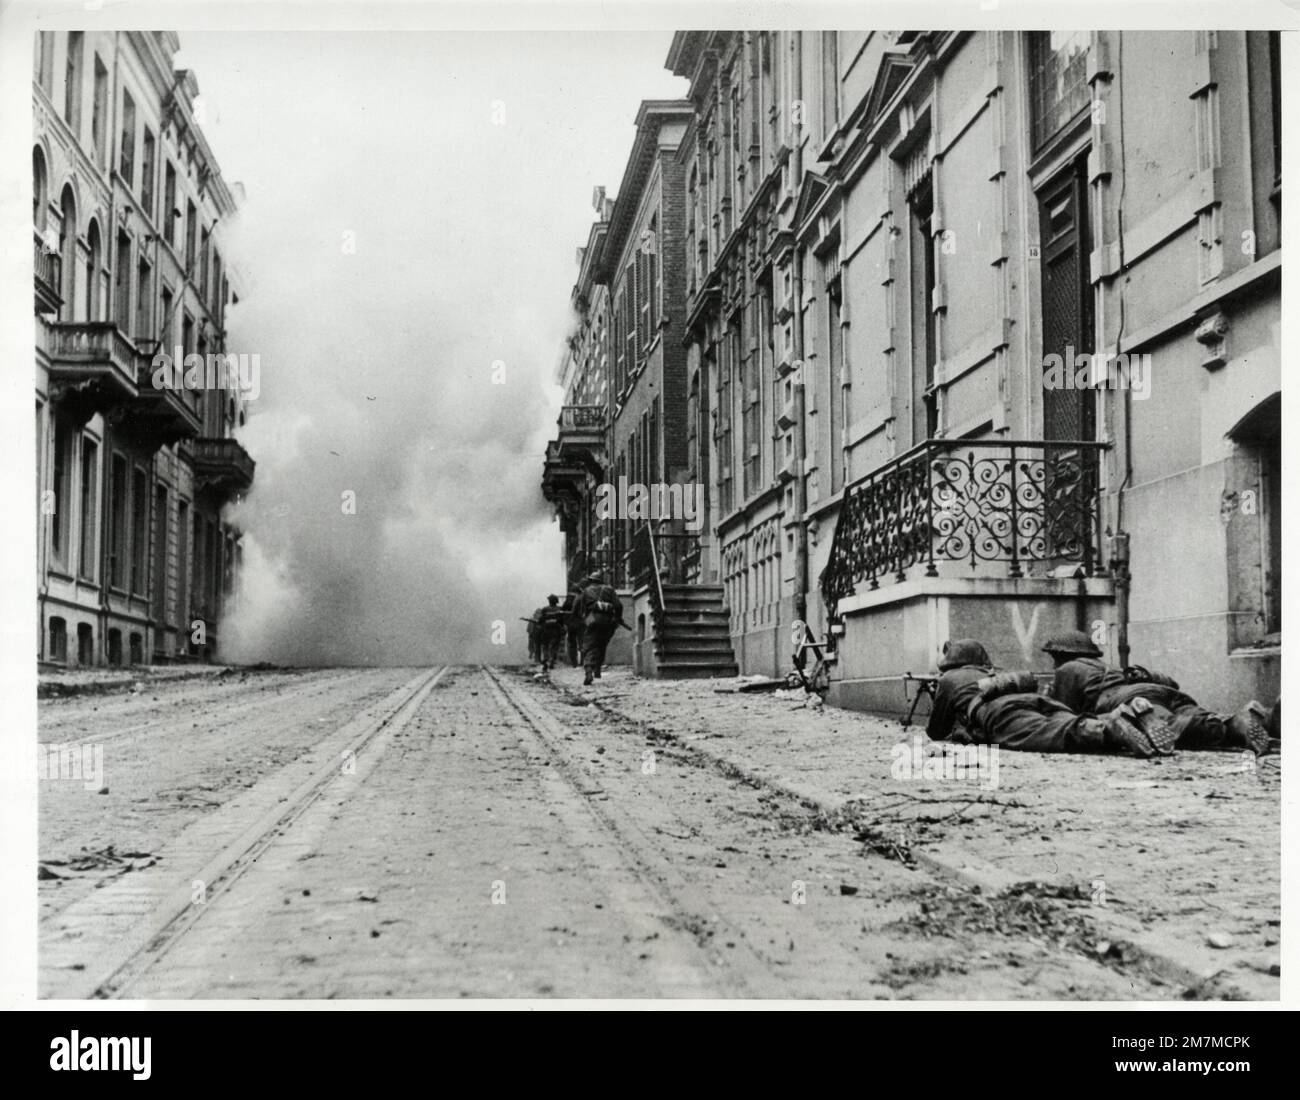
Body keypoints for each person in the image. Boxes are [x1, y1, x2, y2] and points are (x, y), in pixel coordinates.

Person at [926, 638, 1173, 758]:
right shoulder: (992, 673)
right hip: (1031, 698)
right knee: (1063, 719)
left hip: (996, 711)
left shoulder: (949, 679)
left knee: (1051, 733)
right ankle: (1124, 714)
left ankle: (1107, 727)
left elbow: (936, 731)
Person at [1041, 631, 1275, 756]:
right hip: (1165, 692)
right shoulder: (1112, 667)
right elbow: (1171, 682)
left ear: (1062, 655)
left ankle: (1232, 725)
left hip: (1133, 699)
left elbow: (1063, 714)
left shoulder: (1068, 669)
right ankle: (1244, 720)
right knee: (1198, 717)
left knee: (1170, 725)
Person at [571, 572, 621, 686]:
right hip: (608, 619)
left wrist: (583, 620)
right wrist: (617, 619)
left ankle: (589, 672)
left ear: (591, 580)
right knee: (602, 644)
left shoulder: (586, 591)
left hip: (592, 618)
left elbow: (580, 609)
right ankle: (597, 669)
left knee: (588, 646)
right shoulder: (610, 589)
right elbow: (618, 605)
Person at [537, 594, 567, 674]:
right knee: (554, 646)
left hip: (546, 630)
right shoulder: (560, 609)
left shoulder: (545, 609)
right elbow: (562, 620)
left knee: (545, 645)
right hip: (556, 630)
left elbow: (541, 620)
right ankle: (552, 661)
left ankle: (546, 658)